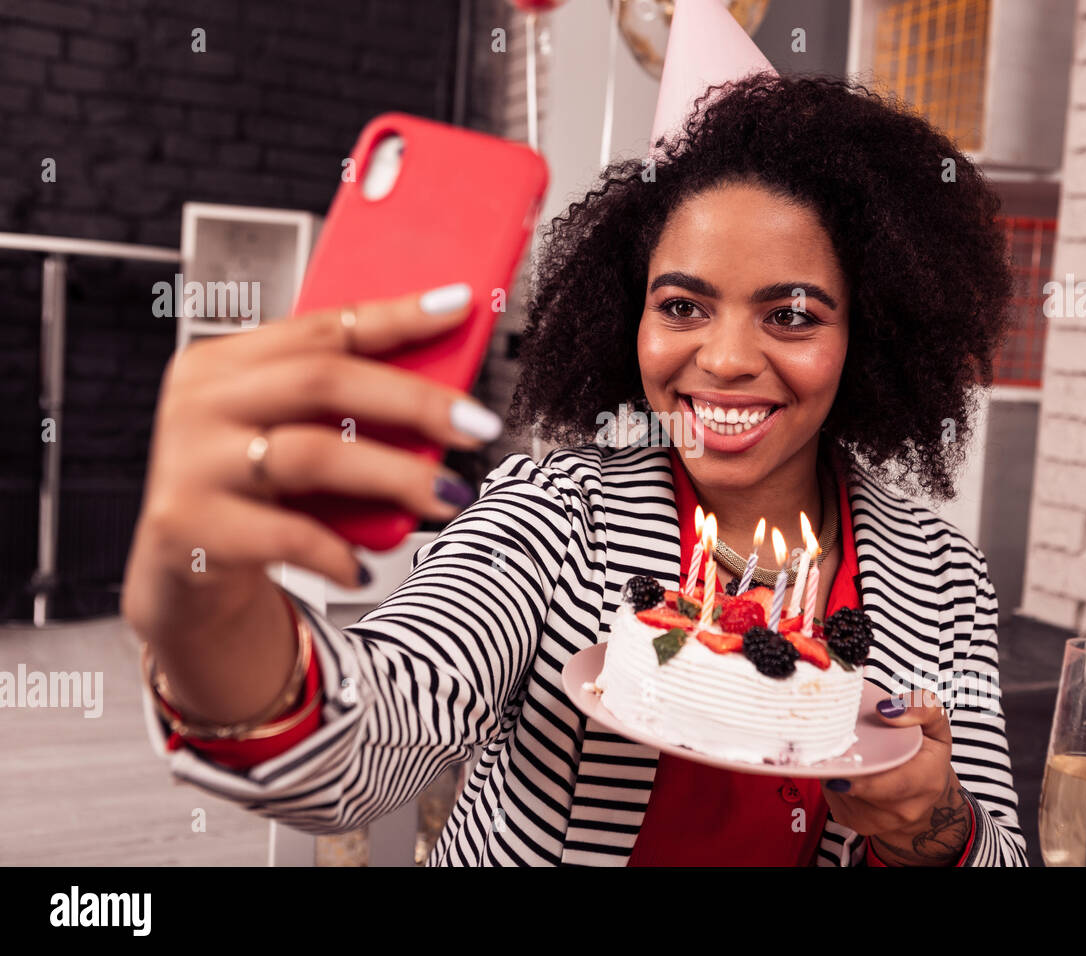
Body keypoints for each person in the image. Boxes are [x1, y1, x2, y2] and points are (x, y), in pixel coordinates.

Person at [123, 73, 1027, 866]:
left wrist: (934, 828)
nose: (722, 359)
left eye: (791, 315)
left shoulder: (944, 577)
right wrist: (206, 609)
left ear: (867, 339)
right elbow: (370, 736)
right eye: (682, 306)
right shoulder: (554, 514)